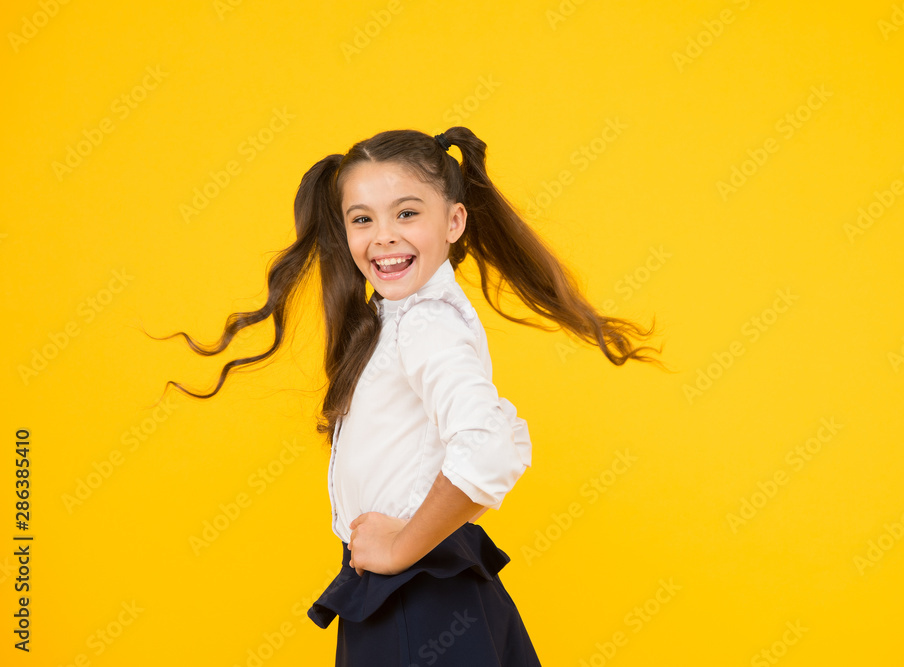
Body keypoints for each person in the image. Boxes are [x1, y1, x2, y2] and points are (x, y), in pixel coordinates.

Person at [152, 127, 672, 665]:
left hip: (417, 599)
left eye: (406, 214)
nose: (382, 237)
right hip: (414, 591)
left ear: (454, 221)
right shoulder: (396, 318)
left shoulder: (425, 323)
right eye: (362, 219)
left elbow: (489, 448)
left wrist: (400, 547)